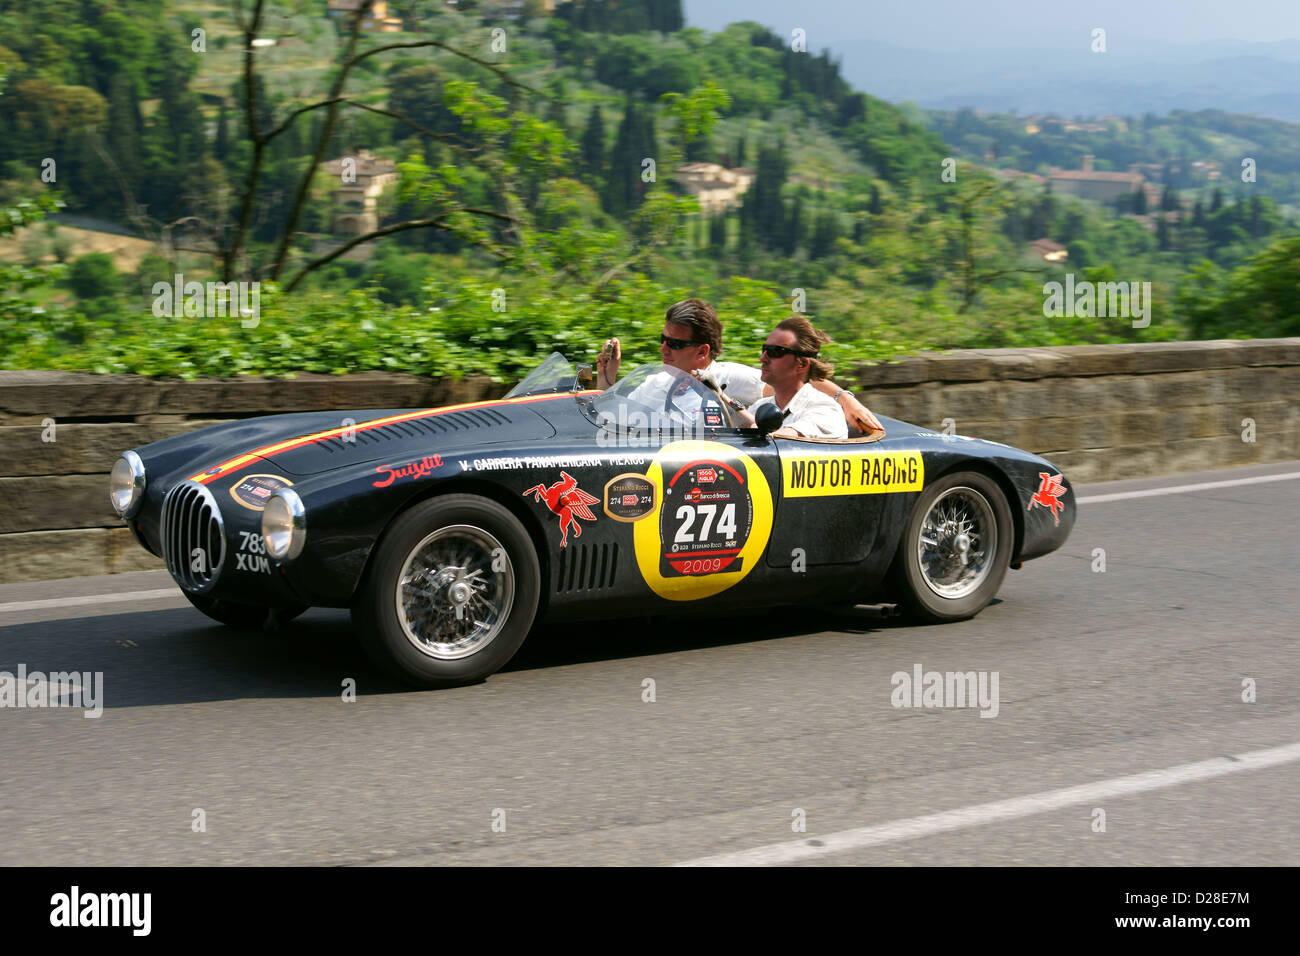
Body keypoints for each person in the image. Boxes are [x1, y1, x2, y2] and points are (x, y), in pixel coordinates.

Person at [596, 299, 883, 433]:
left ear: (702, 351)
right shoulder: (654, 382)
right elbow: (609, 422)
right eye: (663, 340)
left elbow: (792, 382)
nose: (663, 349)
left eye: (674, 344)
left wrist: (844, 398)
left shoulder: (727, 377)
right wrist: (606, 381)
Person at [734, 317, 848, 440]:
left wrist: (754, 431)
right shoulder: (759, 407)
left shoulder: (826, 409)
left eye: (775, 351)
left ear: (802, 364)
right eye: (764, 349)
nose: (762, 358)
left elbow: (785, 438)